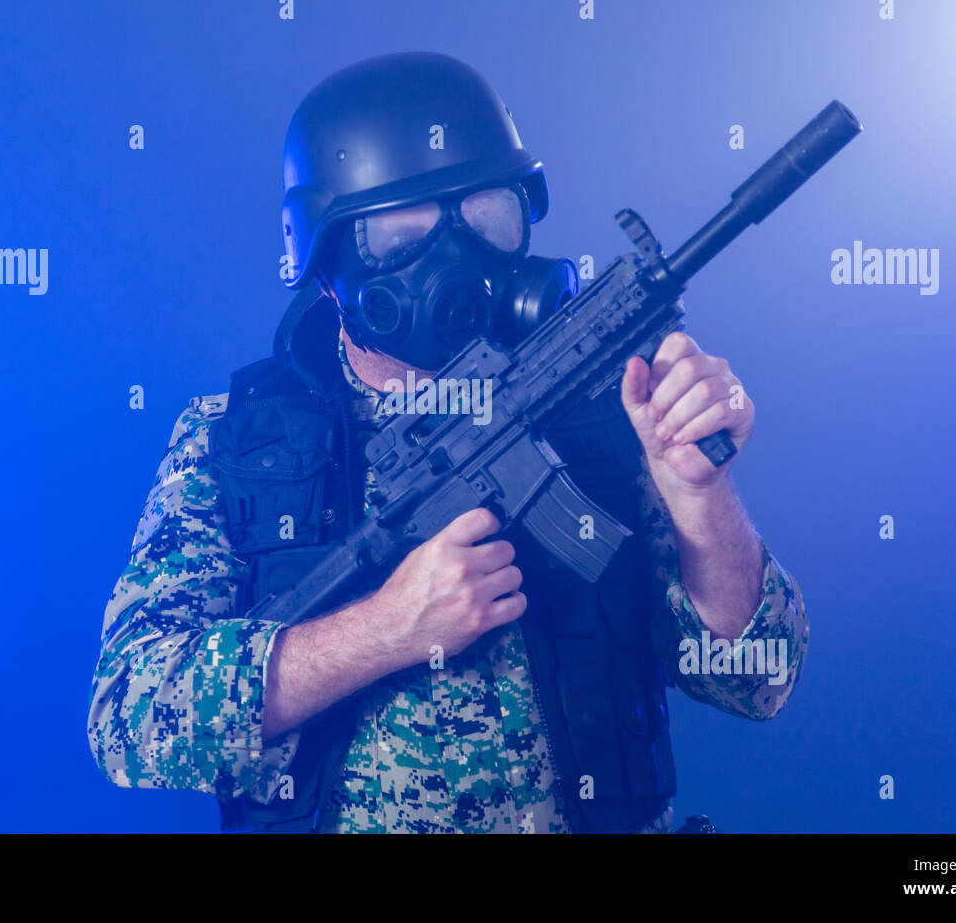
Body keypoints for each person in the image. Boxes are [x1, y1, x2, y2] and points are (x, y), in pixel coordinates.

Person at [86, 51, 809, 833]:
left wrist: (701, 493)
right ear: (327, 263)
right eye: (402, 235)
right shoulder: (237, 440)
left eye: (488, 216)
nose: (455, 260)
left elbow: (757, 681)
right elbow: (130, 714)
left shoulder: (605, 408)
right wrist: (382, 631)